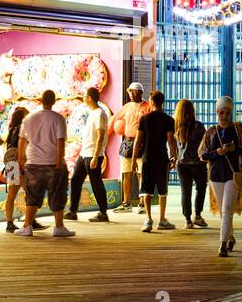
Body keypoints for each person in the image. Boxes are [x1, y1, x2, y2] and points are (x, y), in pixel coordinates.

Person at [200, 96, 242, 256]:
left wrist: (233, 149)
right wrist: (217, 153)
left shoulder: (239, 130)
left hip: (234, 174)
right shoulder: (210, 132)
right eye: (221, 113)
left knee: (227, 209)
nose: (223, 116)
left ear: (231, 113)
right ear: (217, 112)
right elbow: (203, 155)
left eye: (226, 113)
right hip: (215, 175)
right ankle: (230, 237)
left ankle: (222, 244)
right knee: (223, 210)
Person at [16, 89, 75, 238]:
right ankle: (59, 227)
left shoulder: (29, 118)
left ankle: (27, 226)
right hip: (52, 163)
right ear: (54, 101)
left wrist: (21, 159)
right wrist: (59, 162)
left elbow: (22, 140)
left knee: (32, 195)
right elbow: (60, 141)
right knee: (57, 195)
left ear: (41, 101)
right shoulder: (58, 119)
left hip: (33, 162)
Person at [133, 90, 179, 233]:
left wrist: (134, 159)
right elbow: (171, 141)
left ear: (152, 102)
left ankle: (148, 219)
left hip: (147, 158)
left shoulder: (144, 119)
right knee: (162, 191)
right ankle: (162, 219)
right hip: (161, 159)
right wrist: (174, 157)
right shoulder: (169, 120)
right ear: (162, 102)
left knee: (146, 190)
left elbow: (138, 141)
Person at [67, 86, 111, 223]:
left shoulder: (99, 114)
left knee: (96, 183)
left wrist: (95, 156)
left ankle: (103, 213)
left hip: (93, 154)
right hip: (84, 153)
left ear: (90, 98)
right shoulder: (92, 113)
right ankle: (72, 211)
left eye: (85, 96)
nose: (83, 98)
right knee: (75, 180)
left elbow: (101, 135)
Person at [111, 82, 148, 212]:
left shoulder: (147, 107)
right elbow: (114, 119)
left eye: (134, 92)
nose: (131, 94)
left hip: (142, 143)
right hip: (127, 142)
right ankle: (126, 203)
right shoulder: (127, 107)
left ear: (140, 93)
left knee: (141, 174)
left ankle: (143, 203)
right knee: (126, 173)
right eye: (129, 92)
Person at [174, 98, 208, 229]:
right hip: (198, 163)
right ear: (192, 111)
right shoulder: (198, 126)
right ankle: (197, 216)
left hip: (182, 164)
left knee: (185, 191)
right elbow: (205, 145)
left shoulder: (176, 126)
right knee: (201, 188)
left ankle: (187, 220)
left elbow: (172, 146)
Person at [2, 106, 33, 232]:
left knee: (11, 194)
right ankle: (30, 220)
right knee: (30, 193)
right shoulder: (22, 130)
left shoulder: (11, 130)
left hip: (11, 164)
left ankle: (10, 222)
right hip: (20, 164)